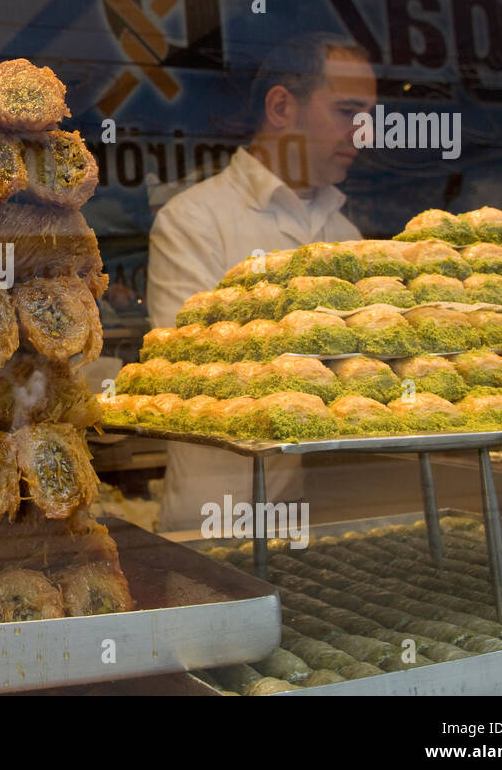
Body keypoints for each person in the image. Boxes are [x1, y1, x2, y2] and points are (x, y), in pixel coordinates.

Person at [146, 32, 377, 531]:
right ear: (281, 107)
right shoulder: (194, 221)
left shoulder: (346, 233)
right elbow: (192, 370)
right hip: (214, 529)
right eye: (348, 112)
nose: (365, 134)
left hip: (314, 530)